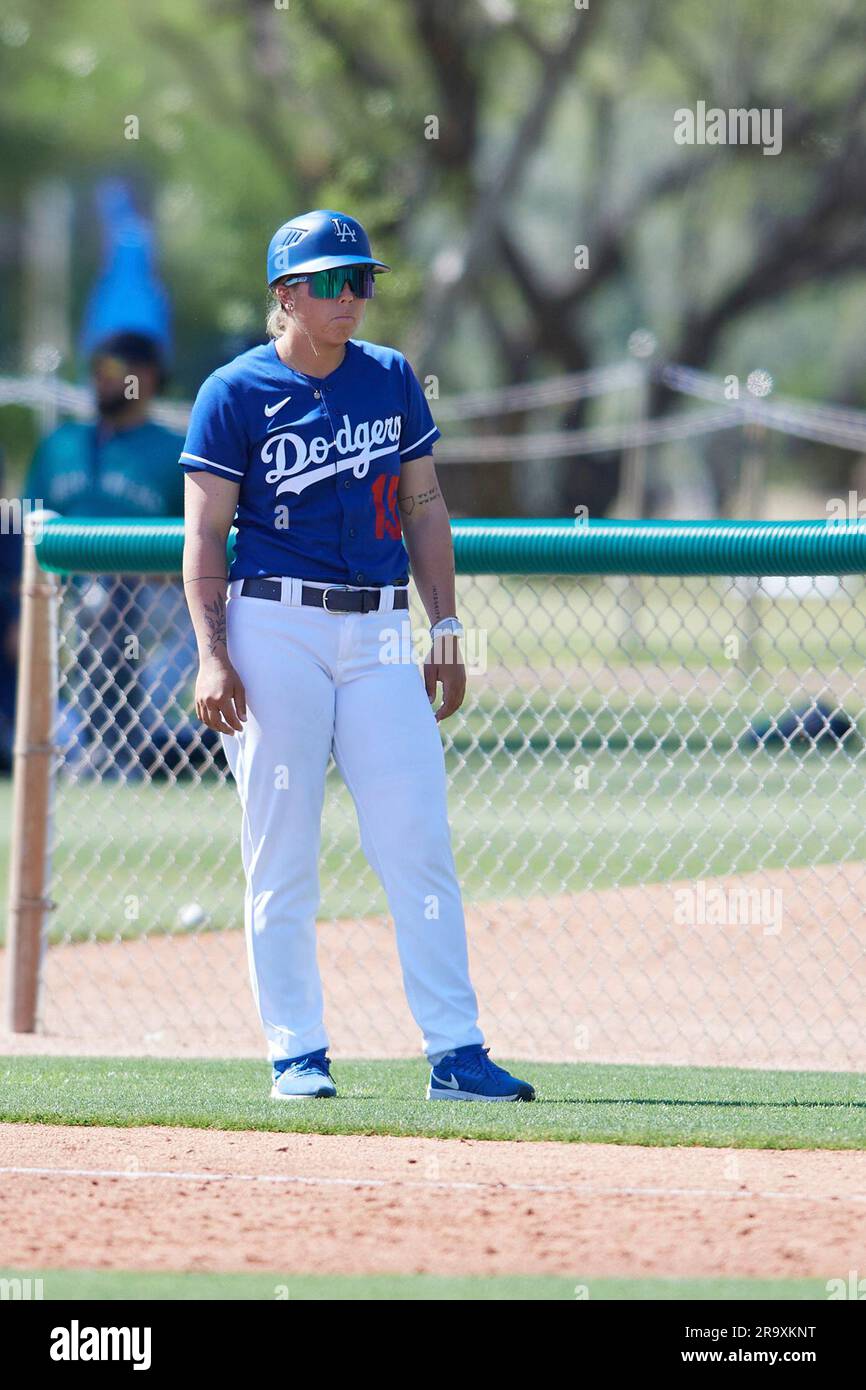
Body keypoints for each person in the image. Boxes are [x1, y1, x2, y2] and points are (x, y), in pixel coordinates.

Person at [180, 208, 535, 1102]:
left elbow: (424, 507)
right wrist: (212, 656)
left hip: (380, 631)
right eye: (334, 281)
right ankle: (297, 1052)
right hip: (275, 625)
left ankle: (456, 1052)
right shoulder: (234, 391)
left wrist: (445, 630)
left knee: (418, 840)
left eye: (363, 280)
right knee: (283, 848)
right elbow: (206, 537)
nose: (353, 296)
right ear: (286, 292)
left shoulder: (391, 377)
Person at [23, 332, 200, 778]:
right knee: (95, 606)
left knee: (209, 620)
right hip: (59, 598)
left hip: (155, 599)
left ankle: (126, 733)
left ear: (147, 377)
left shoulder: (175, 449)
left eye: (114, 370)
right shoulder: (61, 443)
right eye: (96, 369)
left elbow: (206, 538)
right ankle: (89, 737)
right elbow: (23, 529)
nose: (101, 379)